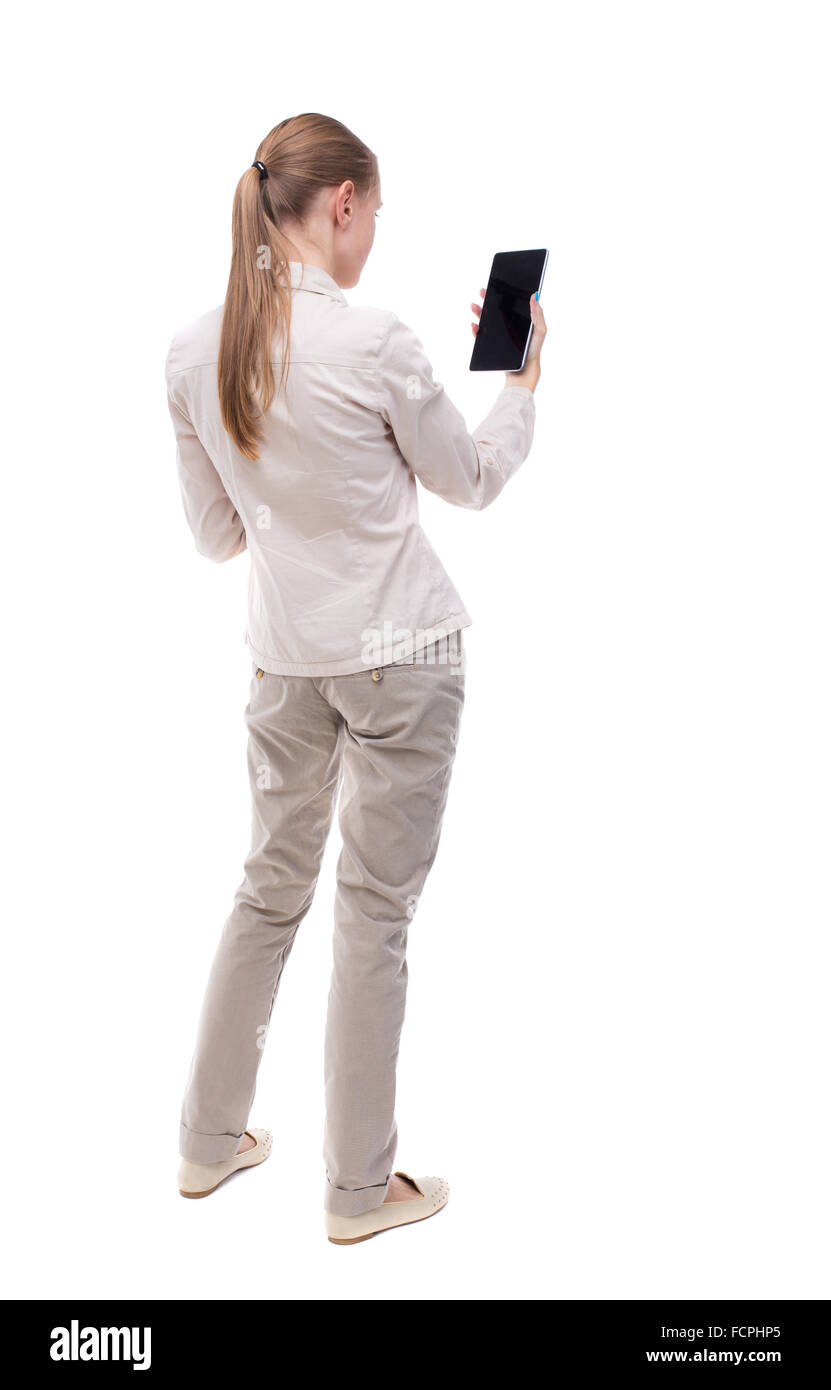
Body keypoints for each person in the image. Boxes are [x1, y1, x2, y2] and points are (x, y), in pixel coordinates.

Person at [165, 112, 545, 1244]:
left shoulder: (192, 350)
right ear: (340, 204)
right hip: (403, 663)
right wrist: (523, 380)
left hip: (286, 664)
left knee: (266, 891)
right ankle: (357, 1193)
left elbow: (214, 536)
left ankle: (205, 1141)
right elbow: (471, 478)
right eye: (372, 210)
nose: (373, 233)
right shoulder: (374, 340)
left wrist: (286, 490)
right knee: (372, 917)